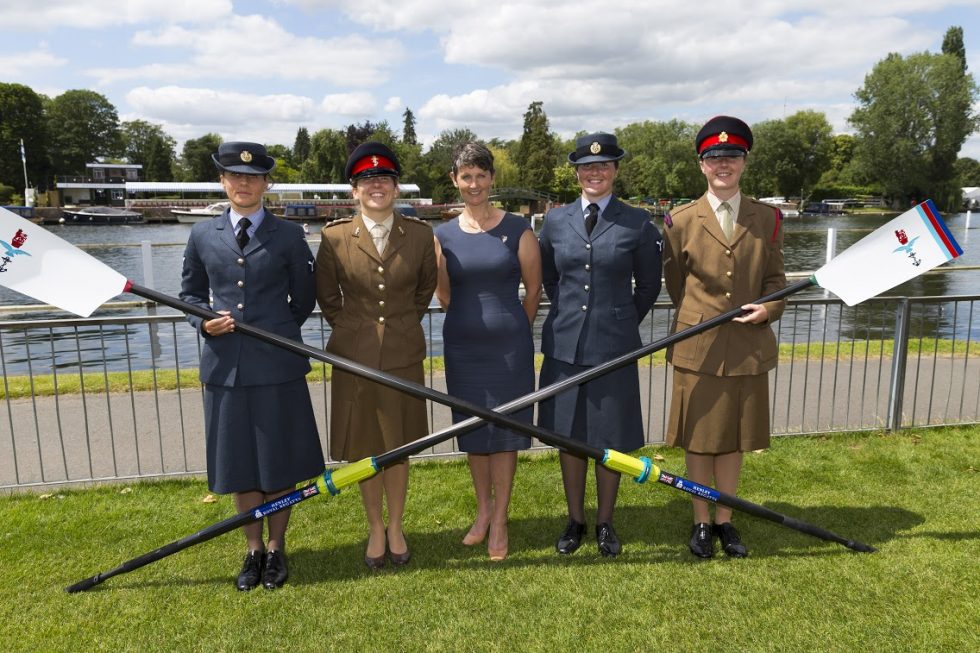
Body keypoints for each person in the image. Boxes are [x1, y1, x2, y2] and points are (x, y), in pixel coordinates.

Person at [179, 141, 323, 591]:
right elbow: (189, 295)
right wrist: (204, 323)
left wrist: (273, 330)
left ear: (266, 184)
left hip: (277, 365)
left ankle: (277, 548)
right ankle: (253, 549)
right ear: (223, 181)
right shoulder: (203, 235)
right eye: (235, 176)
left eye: (253, 177)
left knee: (278, 461)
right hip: (226, 367)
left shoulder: (289, 235)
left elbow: (303, 299)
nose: (244, 184)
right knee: (241, 462)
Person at [662, 116, 787, 558]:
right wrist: (702, 315)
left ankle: (725, 520)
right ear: (702, 165)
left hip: (747, 346)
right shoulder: (679, 221)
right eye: (714, 157)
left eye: (732, 156)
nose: (723, 165)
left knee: (734, 438)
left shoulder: (767, 218)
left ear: (744, 162)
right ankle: (701, 521)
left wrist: (769, 309)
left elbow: (775, 280)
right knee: (699, 439)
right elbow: (677, 285)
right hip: (698, 346)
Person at [538, 133, 662, 557]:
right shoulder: (556, 221)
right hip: (565, 347)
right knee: (569, 436)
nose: (595, 173)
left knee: (611, 438)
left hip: (614, 347)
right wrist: (574, 316)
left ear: (615, 171)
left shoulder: (637, 222)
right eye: (587, 167)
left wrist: (617, 320)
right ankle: (575, 519)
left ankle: (606, 521)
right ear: (577, 174)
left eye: (604, 166)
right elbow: (550, 278)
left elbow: (649, 286)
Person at [315, 142, 437, 570]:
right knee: (365, 447)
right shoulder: (334, 237)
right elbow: (328, 298)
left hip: (403, 355)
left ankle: (397, 526)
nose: (376, 186)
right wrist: (357, 332)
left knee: (399, 446)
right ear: (354, 190)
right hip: (356, 358)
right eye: (367, 181)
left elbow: (423, 291)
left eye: (384, 179)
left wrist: (397, 328)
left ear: (396, 188)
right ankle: (374, 528)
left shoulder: (419, 235)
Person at [434, 142, 542, 561]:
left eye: (481, 175)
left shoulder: (518, 229)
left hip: (509, 349)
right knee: (474, 432)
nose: (474, 184)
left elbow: (533, 290)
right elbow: (444, 294)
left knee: (505, 432)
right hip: (463, 349)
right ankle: (482, 511)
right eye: (467, 176)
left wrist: (512, 327)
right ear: (455, 180)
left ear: (492, 179)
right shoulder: (442, 235)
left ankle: (500, 519)